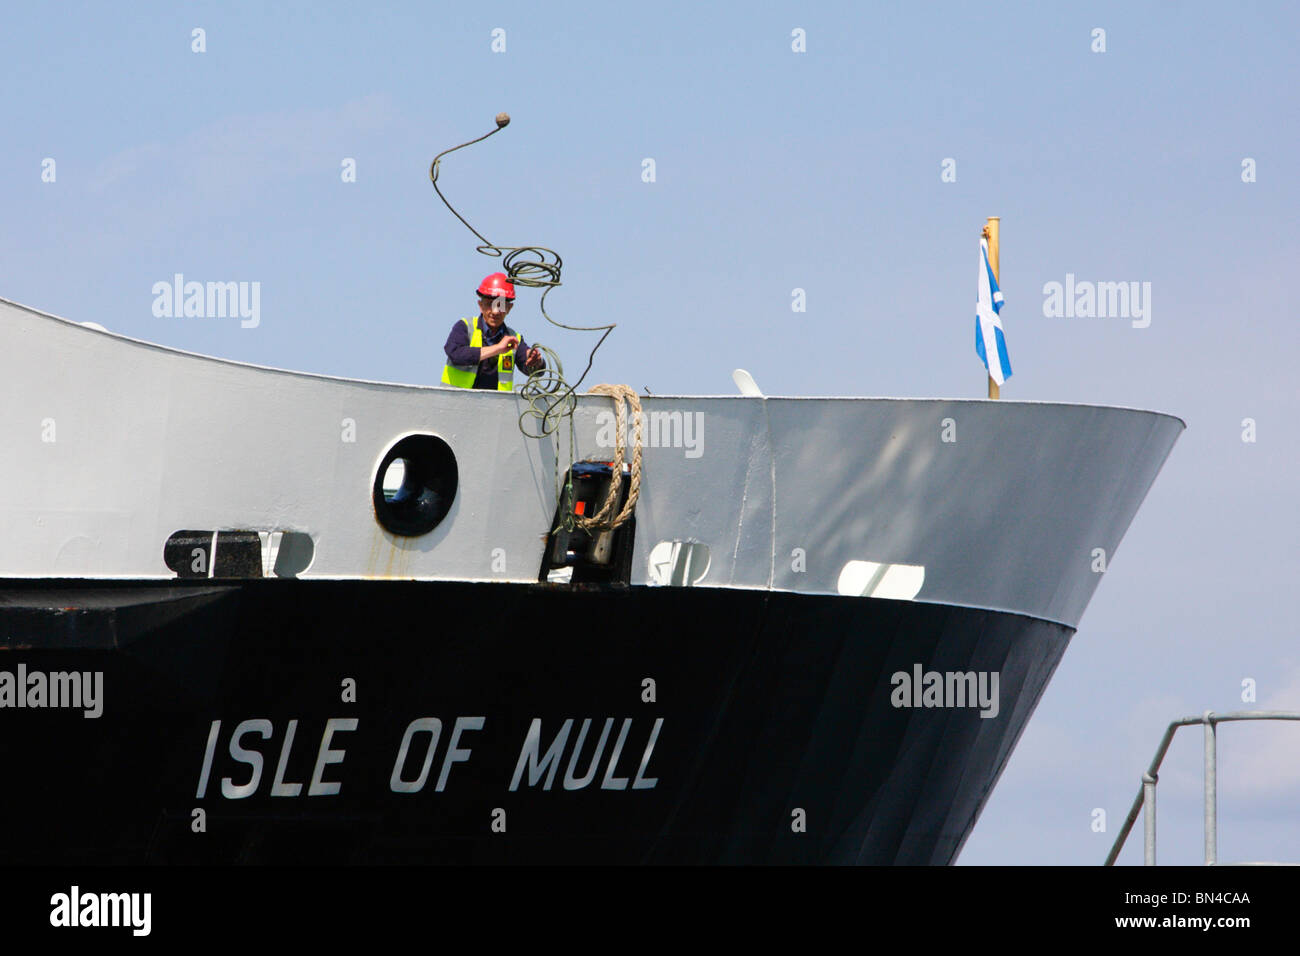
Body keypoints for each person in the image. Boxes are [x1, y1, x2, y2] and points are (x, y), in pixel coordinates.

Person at [441, 273, 544, 391]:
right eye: (490, 304)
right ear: (480, 305)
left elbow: (533, 370)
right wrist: (498, 348)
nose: (495, 312)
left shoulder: (515, 338)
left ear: (509, 308)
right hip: (455, 405)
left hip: (496, 407)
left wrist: (536, 361)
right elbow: (456, 354)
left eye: (500, 305)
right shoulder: (465, 327)